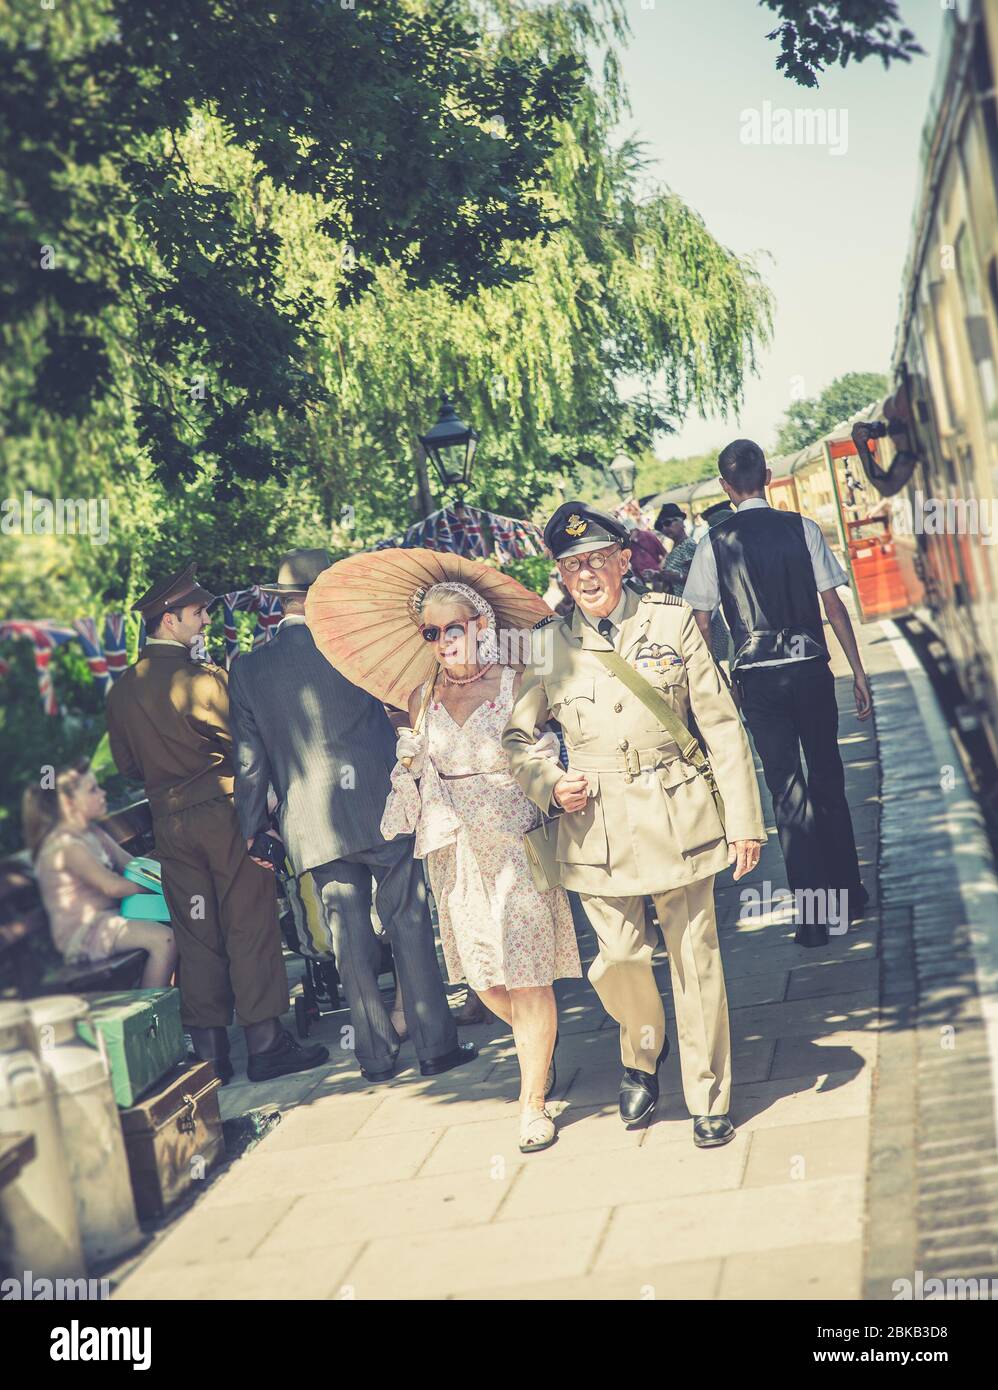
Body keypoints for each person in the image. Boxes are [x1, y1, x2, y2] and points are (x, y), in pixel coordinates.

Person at [502, 503, 766, 1149]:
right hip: (596, 827)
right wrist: (546, 780)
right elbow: (517, 735)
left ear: (624, 558)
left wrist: (744, 821)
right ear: (559, 575)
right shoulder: (546, 645)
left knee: (695, 961)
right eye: (570, 565)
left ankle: (708, 1095)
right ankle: (644, 1049)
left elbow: (722, 726)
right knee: (619, 959)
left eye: (596, 559)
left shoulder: (670, 622)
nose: (585, 574)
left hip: (680, 813)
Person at [228, 549, 476, 1085]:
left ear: (283, 603)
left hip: (310, 823)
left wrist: (254, 828)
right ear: (322, 597)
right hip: (380, 805)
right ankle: (436, 1046)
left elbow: (248, 763)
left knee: (347, 939)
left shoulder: (247, 668)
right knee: (409, 919)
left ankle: (375, 1057)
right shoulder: (351, 649)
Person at [106, 562, 328, 1084]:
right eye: (197, 612)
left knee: (197, 933)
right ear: (169, 620)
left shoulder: (122, 690)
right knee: (249, 925)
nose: (205, 619)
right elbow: (246, 743)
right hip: (224, 813)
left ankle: (211, 1057)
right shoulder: (199, 680)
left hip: (170, 823)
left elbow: (129, 768)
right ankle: (266, 1046)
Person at [383, 580, 582, 1154]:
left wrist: (547, 761)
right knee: (483, 978)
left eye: (452, 627)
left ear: (479, 626)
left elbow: (543, 751)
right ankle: (537, 1047)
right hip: (459, 854)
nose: (442, 640)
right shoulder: (422, 698)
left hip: (518, 846)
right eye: (431, 631)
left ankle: (532, 1103)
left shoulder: (517, 682)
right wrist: (408, 760)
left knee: (527, 973)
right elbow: (413, 788)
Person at [682, 439, 872, 946]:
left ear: (725, 486)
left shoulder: (712, 544)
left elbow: (699, 625)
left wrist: (714, 688)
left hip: (757, 681)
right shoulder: (802, 529)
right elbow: (833, 606)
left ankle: (814, 921)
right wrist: (857, 670)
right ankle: (850, 895)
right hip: (811, 670)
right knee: (828, 778)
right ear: (766, 475)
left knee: (787, 793)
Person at [23, 760, 177, 987]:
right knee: (165, 940)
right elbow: (112, 886)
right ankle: (151, 1013)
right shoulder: (66, 845)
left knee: (182, 923)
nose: (102, 793)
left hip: (108, 921)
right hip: (84, 934)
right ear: (69, 802)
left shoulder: (93, 833)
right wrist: (148, 886)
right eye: (93, 789)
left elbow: (132, 865)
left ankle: (180, 1005)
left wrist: (161, 877)